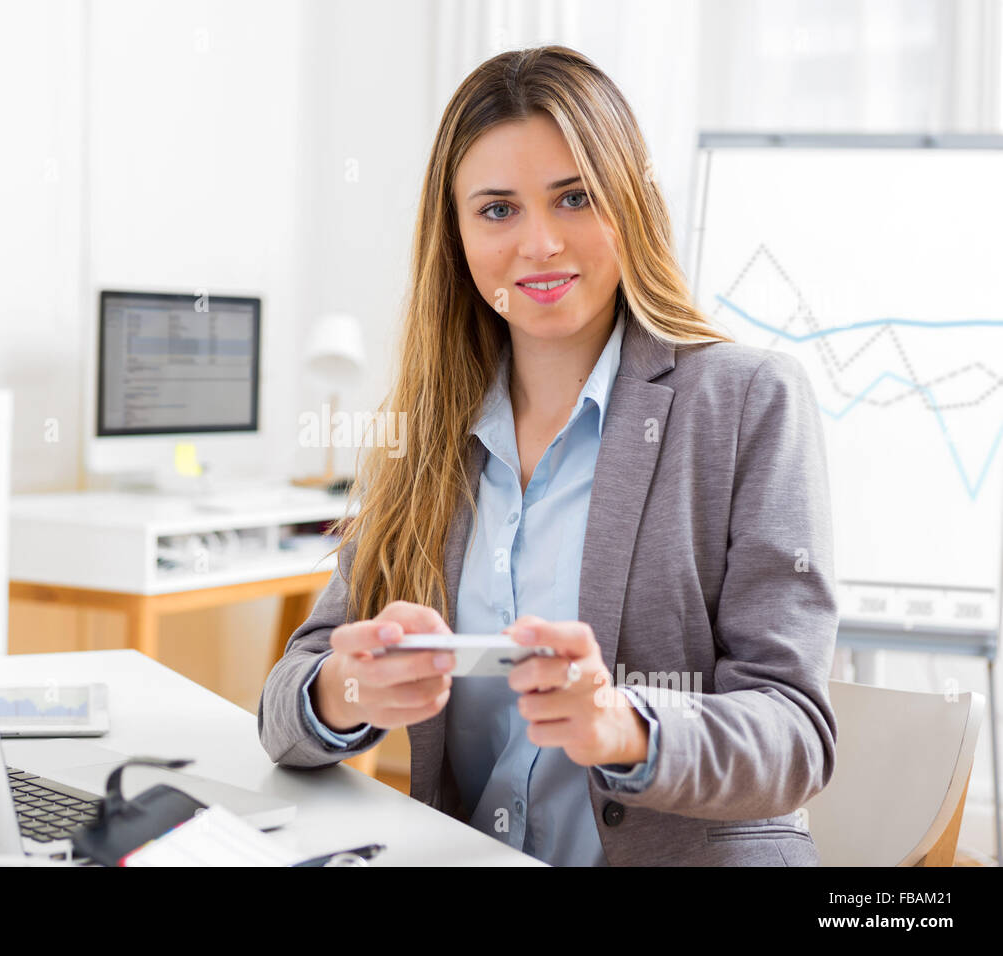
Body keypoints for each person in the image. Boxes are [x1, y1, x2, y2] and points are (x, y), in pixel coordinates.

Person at [258, 45, 838, 866]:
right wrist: (345, 688)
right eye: (497, 210)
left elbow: (797, 734)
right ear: (455, 234)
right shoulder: (426, 432)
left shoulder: (747, 402)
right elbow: (284, 707)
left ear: (629, 204)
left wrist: (625, 726)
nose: (540, 243)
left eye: (574, 198)